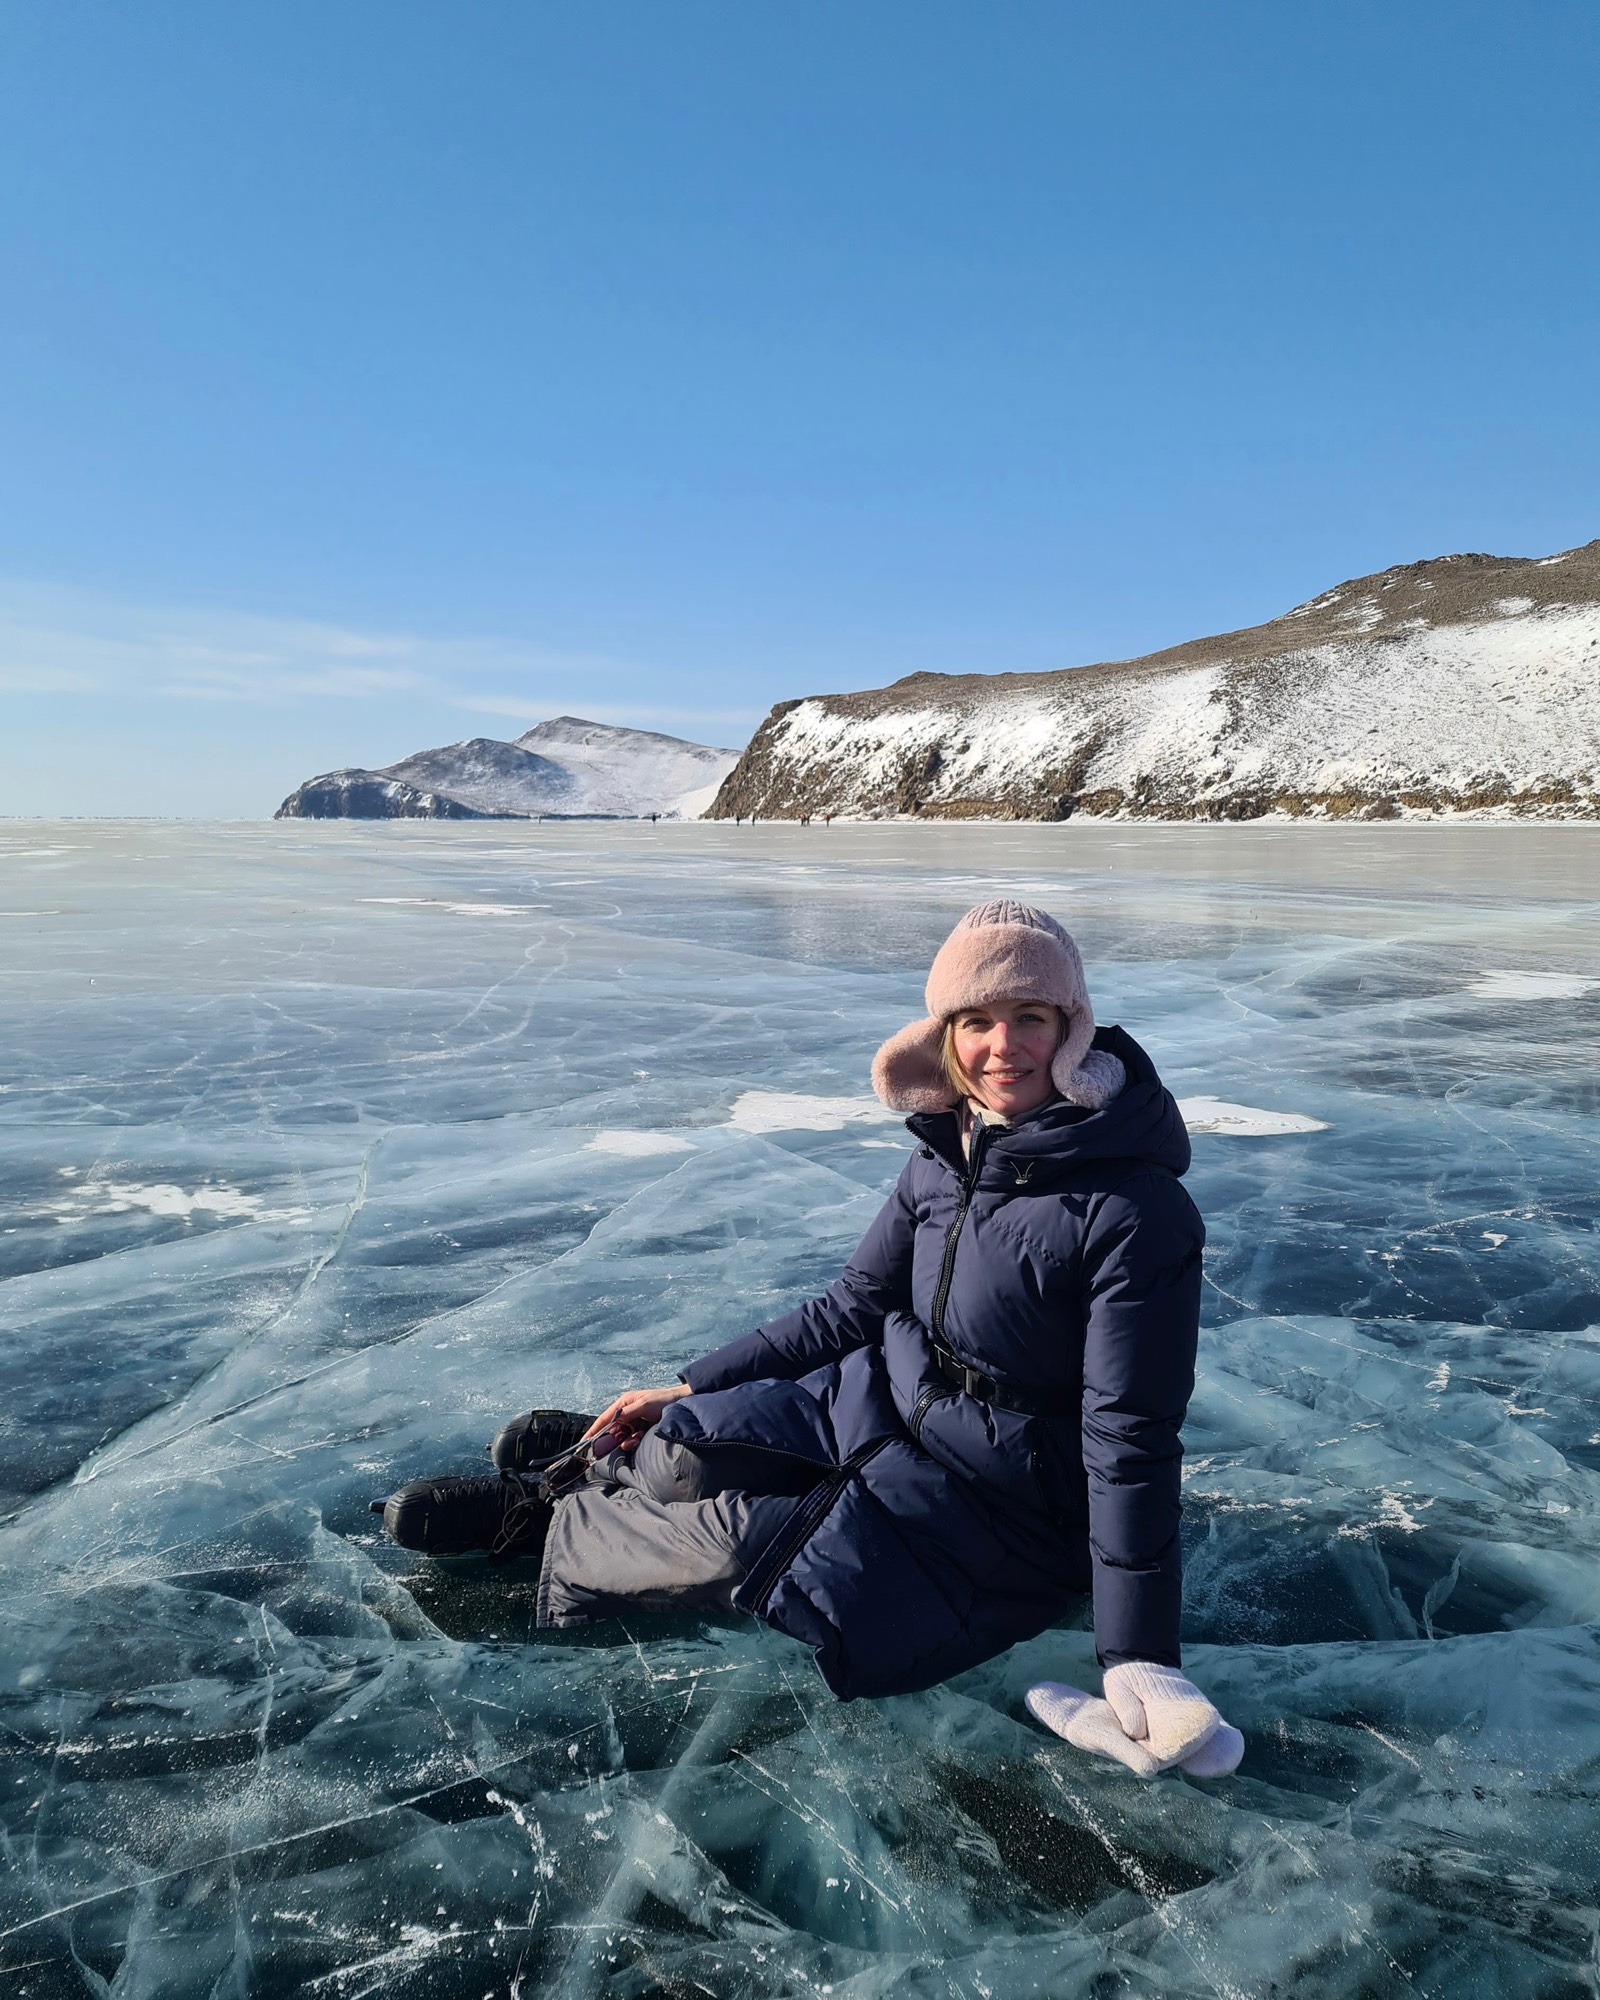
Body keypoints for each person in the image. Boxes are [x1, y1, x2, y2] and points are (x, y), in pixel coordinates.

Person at [376, 900, 1242, 1778]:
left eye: (1030, 1018)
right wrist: (689, 1386)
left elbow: (1129, 1431)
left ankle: (543, 1523)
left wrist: (1138, 1652)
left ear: (1072, 1031)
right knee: (684, 1454)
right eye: (977, 1020)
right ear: (946, 1034)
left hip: (1006, 1505)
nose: (1002, 1045)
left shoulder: (1133, 1212)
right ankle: (614, 1459)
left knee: (756, 1545)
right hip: (881, 1400)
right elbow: (853, 1305)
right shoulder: (947, 1155)